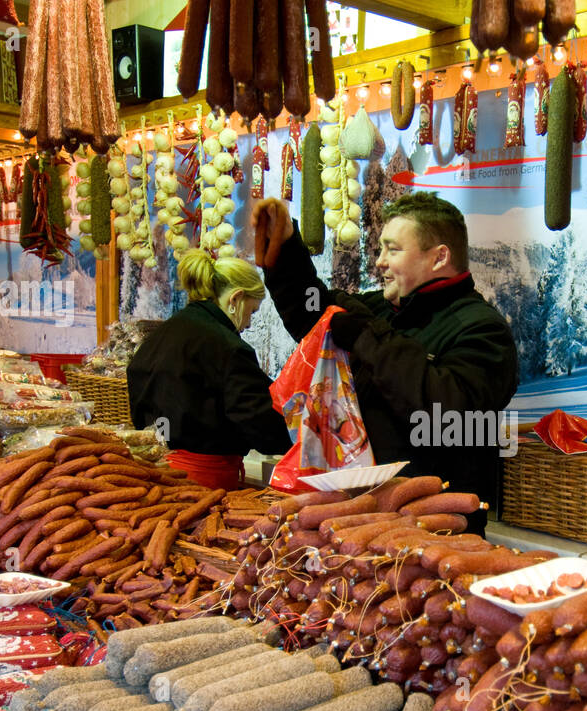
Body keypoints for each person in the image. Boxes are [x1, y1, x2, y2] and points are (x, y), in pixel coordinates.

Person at [252, 192, 518, 534]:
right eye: (381, 249)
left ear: (439, 257)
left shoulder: (483, 330)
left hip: (438, 530)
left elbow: (447, 412)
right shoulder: (379, 310)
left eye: (393, 249)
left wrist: (368, 339)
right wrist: (286, 249)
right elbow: (314, 309)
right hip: (360, 520)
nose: (379, 261)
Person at [127, 249, 292, 491]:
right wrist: (301, 439)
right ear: (236, 299)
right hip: (205, 482)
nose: (249, 323)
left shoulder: (160, 336)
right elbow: (260, 423)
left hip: (154, 473)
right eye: (252, 311)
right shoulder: (230, 348)